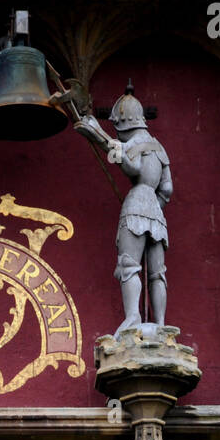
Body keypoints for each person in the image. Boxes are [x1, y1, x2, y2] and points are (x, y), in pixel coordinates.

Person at [75, 85, 172, 332]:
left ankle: (133, 318)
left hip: (136, 203)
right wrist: (154, 207)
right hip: (156, 212)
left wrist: (104, 141)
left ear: (122, 123)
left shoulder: (132, 143)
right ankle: (160, 324)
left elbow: (133, 169)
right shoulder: (159, 146)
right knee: (157, 273)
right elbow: (168, 188)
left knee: (129, 266)